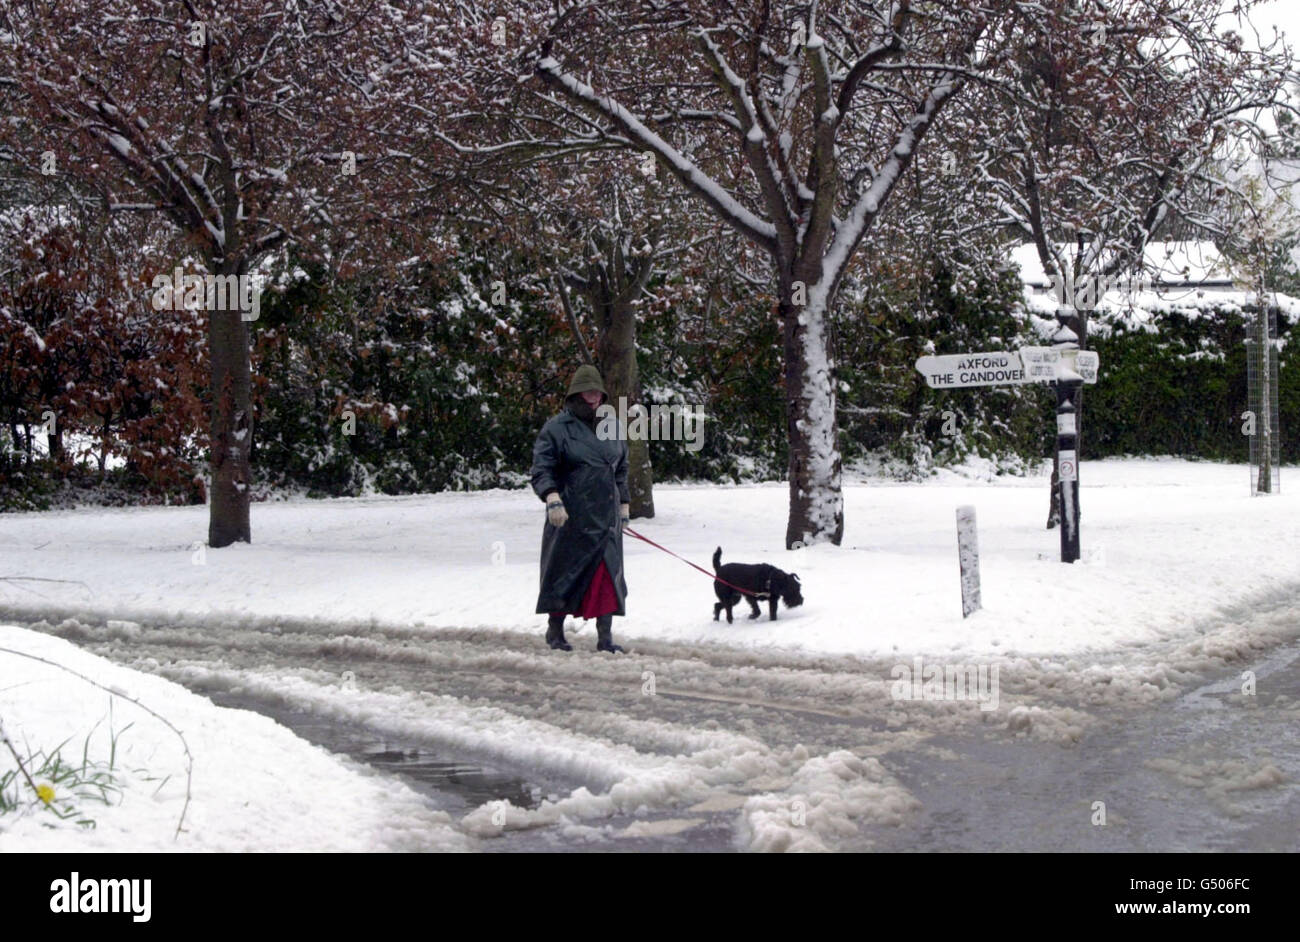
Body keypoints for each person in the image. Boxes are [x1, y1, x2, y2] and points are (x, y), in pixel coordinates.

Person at [531, 364, 630, 653]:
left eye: (598, 392)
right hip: (570, 516)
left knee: (608, 576)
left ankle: (605, 637)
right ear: (576, 394)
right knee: (564, 573)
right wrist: (551, 498)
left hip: (606, 518)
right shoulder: (556, 428)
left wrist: (623, 503)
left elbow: (621, 468)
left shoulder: (612, 427)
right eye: (588, 392)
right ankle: (555, 632)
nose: (594, 397)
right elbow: (542, 468)